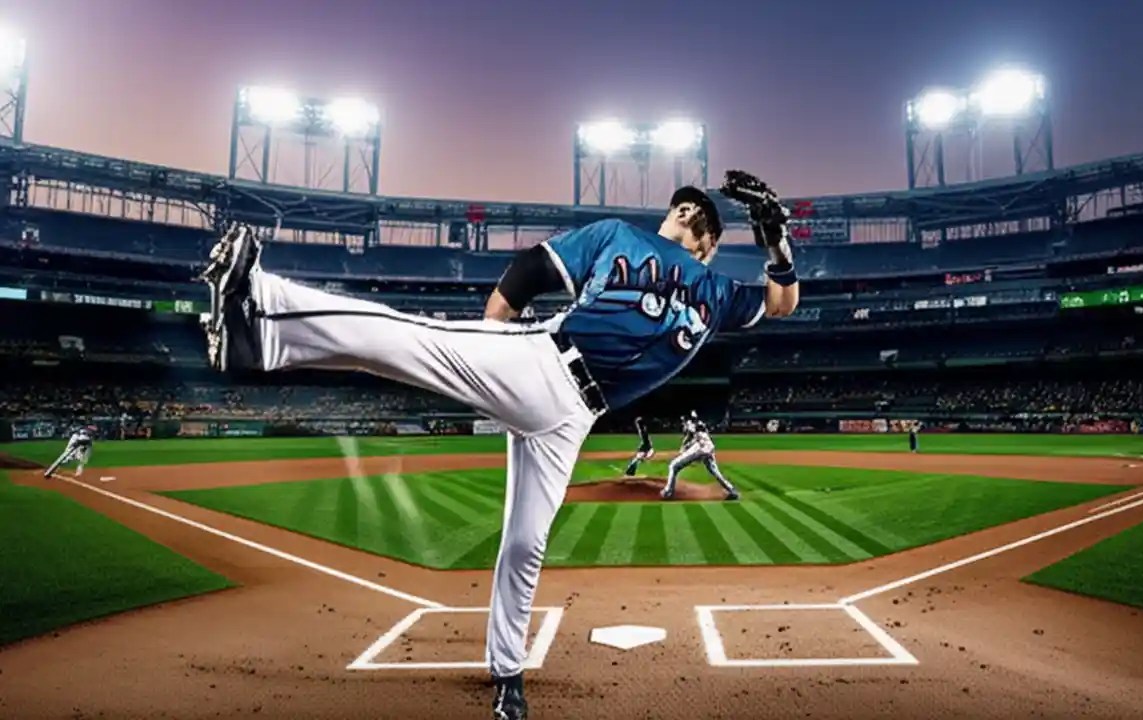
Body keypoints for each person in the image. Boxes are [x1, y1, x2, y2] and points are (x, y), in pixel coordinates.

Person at [198, 170, 799, 720]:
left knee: (525, 543)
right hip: (542, 362)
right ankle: (261, 310)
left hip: (575, 418)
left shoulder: (716, 291)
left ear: (710, 243)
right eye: (683, 205)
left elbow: (781, 302)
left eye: (699, 213)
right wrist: (492, 346)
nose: (688, 210)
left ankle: (507, 672)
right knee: (413, 340)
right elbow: (531, 272)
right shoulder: (618, 235)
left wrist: (774, 235)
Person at [661, 411, 739, 501]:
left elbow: (690, 435)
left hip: (700, 448)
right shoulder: (700, 423)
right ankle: (732, 490)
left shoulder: (690, 423)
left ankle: (668, 492)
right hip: (709, 446)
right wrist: (686, 445)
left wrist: (683, 447)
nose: (682, 420)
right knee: (715, 471)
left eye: (683, 418)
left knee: (673, 466)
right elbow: (696, 435)